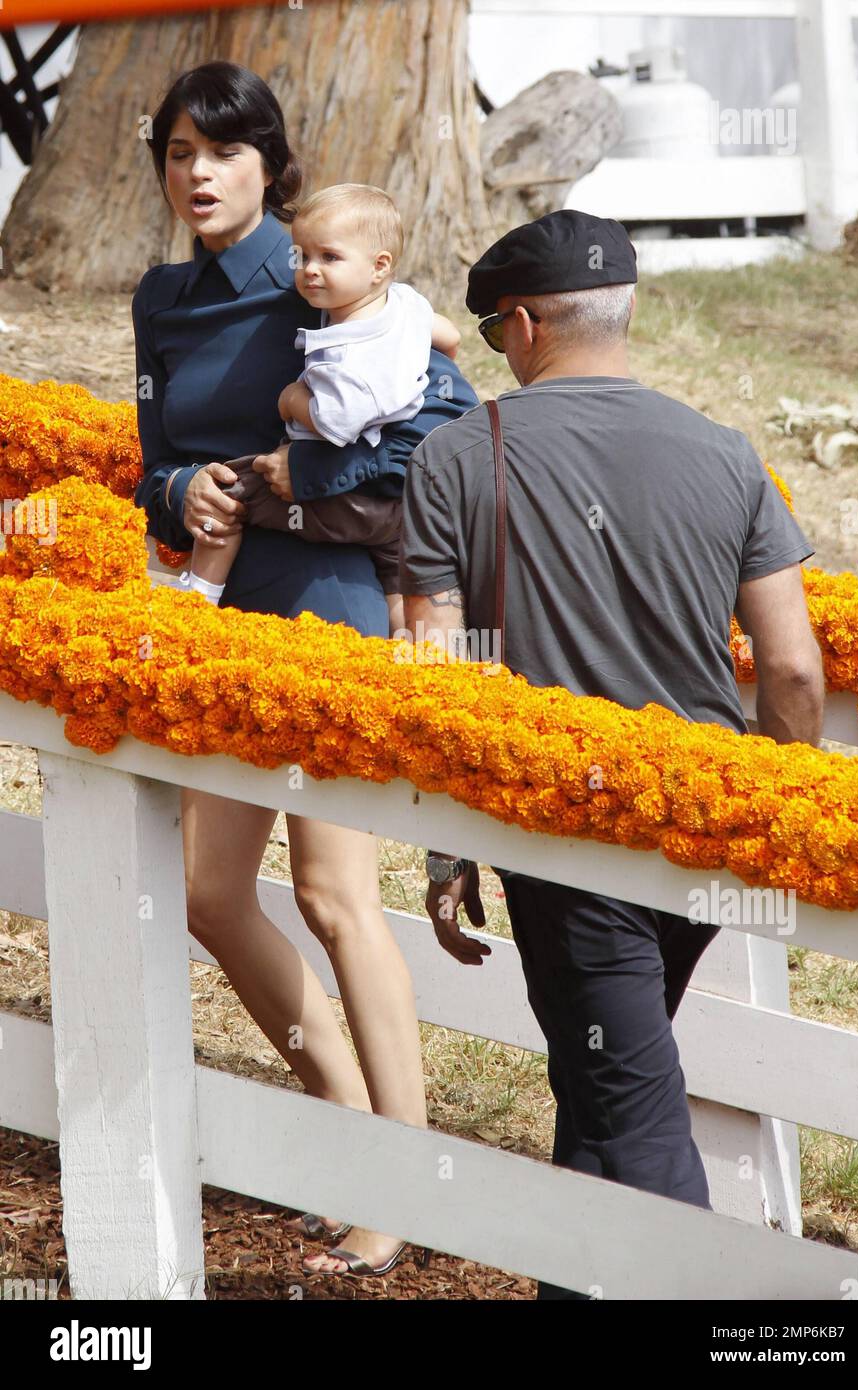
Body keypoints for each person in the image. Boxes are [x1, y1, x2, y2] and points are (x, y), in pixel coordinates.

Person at [399, 208, 825, 1299]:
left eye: (494, 332)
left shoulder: (456, 454)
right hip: (705, 827)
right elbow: (791, 674)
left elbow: (436, 673)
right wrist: (777, 814)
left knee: (627, 1107)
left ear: (525, 323)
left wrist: (445, 852)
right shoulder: (727, 454)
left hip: (561, 833)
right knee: (596, 1077)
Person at [133, 59, 477, 1280]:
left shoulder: (325, 268)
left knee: (334, 895)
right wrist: (188, 486)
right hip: (226, 614)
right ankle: (345, 1125)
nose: (196, 174)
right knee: (209, 890)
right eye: (178, 152)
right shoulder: (161, 298)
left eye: (220, 154)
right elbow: (150, 464)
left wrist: (287, 481)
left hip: (330, 606)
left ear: (265, 167)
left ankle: (404, 1179)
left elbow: (445, 425)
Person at [185, 182, 461, 635]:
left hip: (340, 496)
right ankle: (409, 655)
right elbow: (449, 338)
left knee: (227, 493)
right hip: (395, 508)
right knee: (396, 581)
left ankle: (197, 594)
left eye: (329, 258)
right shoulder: (407, 305)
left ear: (379, 266)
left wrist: (293, 400)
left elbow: (336, 421)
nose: (310, 270)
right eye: (302, 256)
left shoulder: (349, 350)